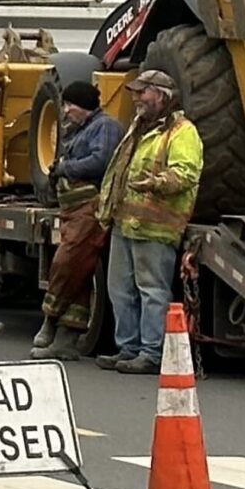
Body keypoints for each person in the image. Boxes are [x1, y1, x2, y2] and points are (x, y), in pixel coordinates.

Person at [97, 69, 206, 375]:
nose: (136, 98)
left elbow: (186, 173)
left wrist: (156, 182)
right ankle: (128, 348)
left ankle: (151, 351)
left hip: (156, 228)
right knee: (119, 289)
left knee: (152, 291)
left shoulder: (183, 132)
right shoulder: (141, 127)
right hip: (126, 223)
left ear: (161, 95)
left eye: (142, 92)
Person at [31, 79, 126, 358]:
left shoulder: (105, 127)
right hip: (73, 210)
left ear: (83, 105)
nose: (66, 110)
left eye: (70, 104)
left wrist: (65, 167)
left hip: (90, 209)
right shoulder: (80, 130)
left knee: (67, 261)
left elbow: (101, 161)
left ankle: (50, 318)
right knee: (81, 272)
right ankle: (66, 338)